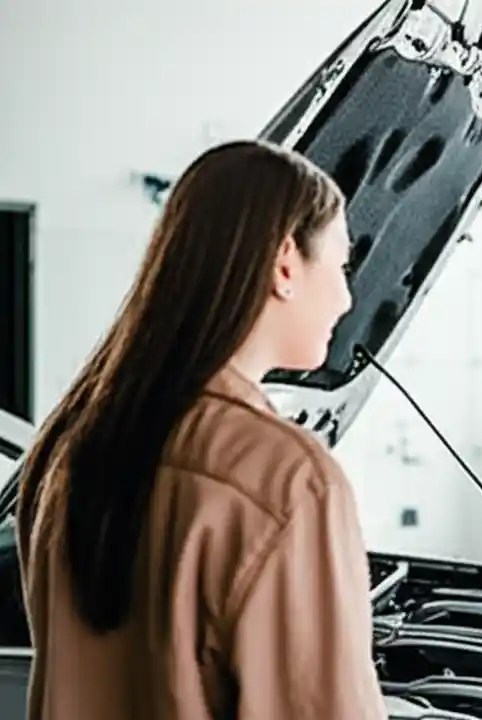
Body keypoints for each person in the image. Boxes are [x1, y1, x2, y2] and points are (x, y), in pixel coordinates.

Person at [15, 140, 385, 719]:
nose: (345, 297)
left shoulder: (72, 443)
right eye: (340, 265)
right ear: (285, 263)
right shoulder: (289, 479)